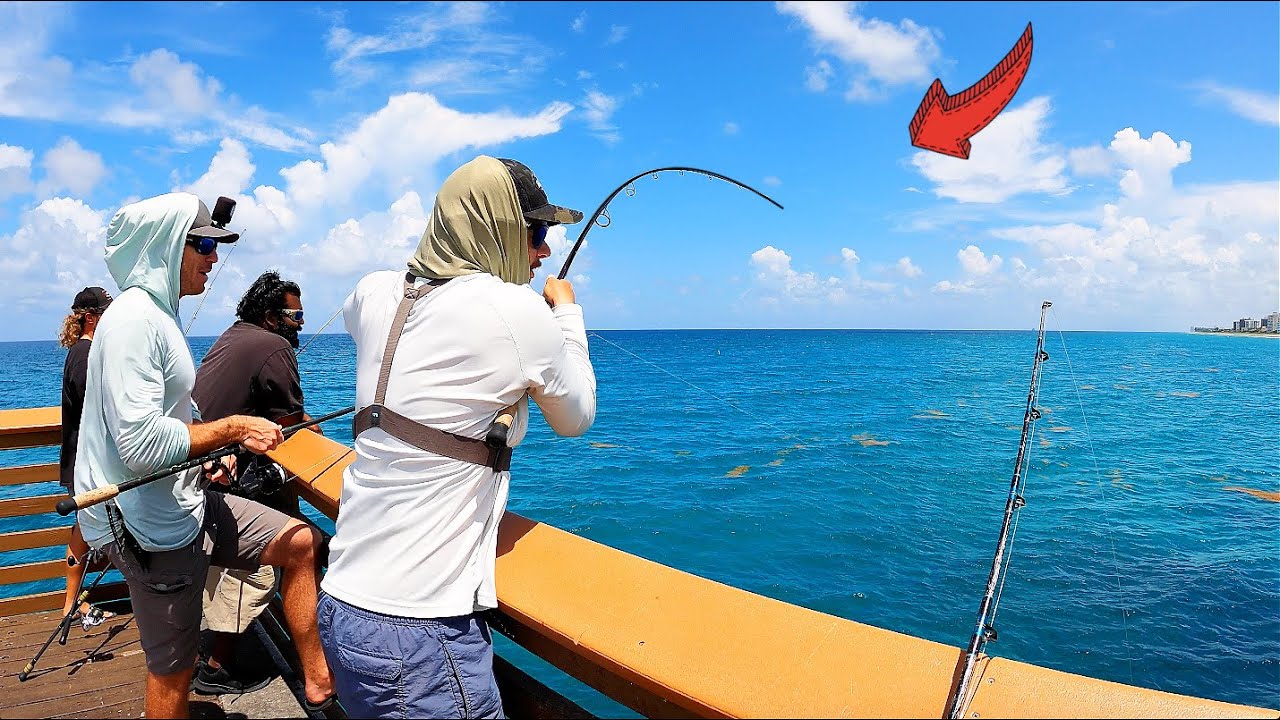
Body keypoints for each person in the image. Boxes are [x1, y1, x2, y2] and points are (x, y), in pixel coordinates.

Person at [318, 155, 597, 718]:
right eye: (536, 231)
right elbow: (576, 417)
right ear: (495, 227)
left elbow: (363, 316)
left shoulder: (374, 291)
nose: (544, 250)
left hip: (343, 603)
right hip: (421, 633)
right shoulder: (515, 309)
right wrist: (565, 316)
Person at [73, 192, 335, 719]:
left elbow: (169, 417)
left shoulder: (157, 314)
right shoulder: (133, 322)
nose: (215, 260)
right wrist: (233, 428)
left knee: (301, 542)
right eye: (204, 245)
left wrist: (205, 450)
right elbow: (141, 444)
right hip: (152, 527)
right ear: (168, 246)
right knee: (171, 677)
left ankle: (319, 679)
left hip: (187, 503)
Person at [191, 269, 323, 696]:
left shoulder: (235, 335)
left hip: (197, 473)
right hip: (221, 476)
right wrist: (307, 429)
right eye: (295, 315)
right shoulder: (274, 345)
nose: (300, 323)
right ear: (271, 316)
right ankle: (216, 666)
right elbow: (288, 417)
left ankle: (214, 654)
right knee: (263, 564)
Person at [56, 286, 117, 628]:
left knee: (85, 530)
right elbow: (93, 410)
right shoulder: (84, 356)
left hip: (85, 461)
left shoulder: (87, 352)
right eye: (107, 314)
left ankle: (73, 604)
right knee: (84, 530)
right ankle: (71, 605)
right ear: (91, 318)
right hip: (86, 463)